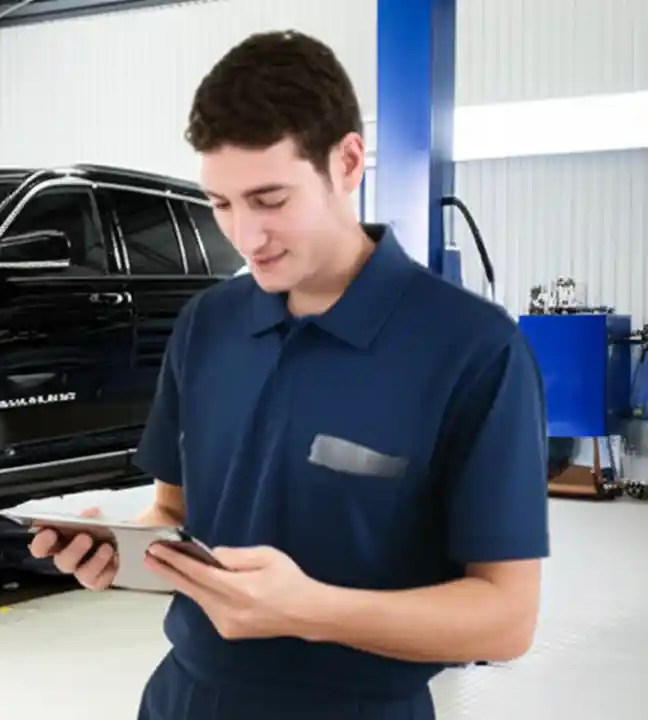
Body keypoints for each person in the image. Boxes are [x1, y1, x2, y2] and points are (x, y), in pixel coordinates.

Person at [29, 30, 549, 719]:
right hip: (185, 699)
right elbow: (175, 516)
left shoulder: (474, 350)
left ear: (349, 161)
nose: (246, 236)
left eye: (271, 200)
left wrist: (314, 611)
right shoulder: (206, 326)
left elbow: (506, 618)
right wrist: (121, 554)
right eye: (221, 204)